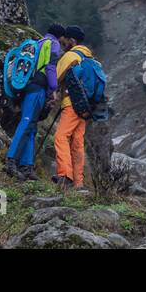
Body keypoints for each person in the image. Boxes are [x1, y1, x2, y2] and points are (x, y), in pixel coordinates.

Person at [4, 24, 64, 179]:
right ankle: (11, 161)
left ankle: (27, 166)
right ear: (60, 36)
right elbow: (50, 67)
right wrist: (53, 89)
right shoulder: (53, 44)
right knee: (27, 122)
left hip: (27, 87)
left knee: (31, 126)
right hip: (38, 88)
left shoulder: (37, 43)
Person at [53, 25, 95, 188]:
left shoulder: (70, 56)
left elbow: (55, 77)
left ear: (72, 40)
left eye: (65, 40)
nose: (63, 43)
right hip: (85, 106)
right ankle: (79, 182)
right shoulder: (89, 58)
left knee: (61, 137)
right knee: (77, 143)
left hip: (72, 104)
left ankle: (64, 175)